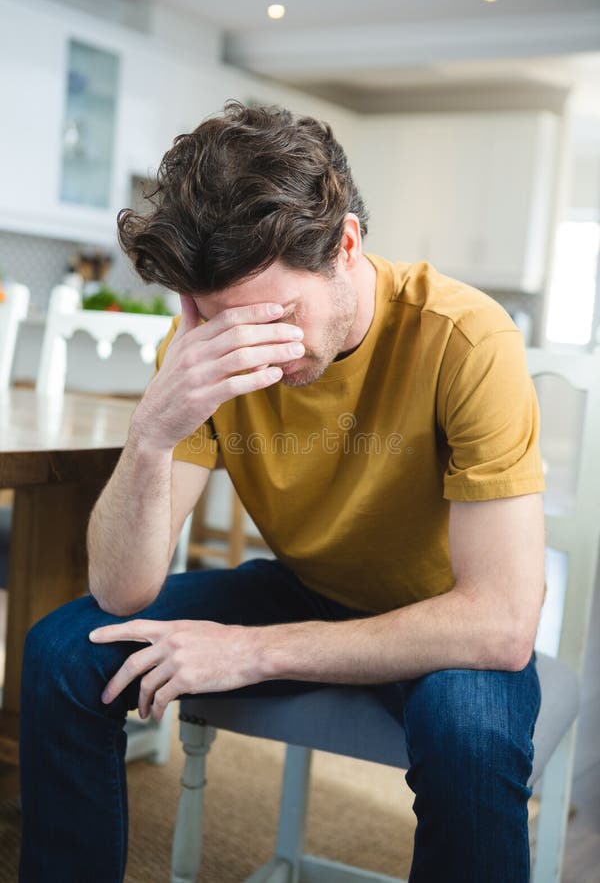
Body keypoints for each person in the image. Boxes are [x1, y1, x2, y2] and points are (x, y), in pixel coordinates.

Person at [19, 101, 546, 882]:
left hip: (446, 616)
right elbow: (121, 590)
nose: (253, 347)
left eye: (278, 316)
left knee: (467, 729)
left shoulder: (466, 339)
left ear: (346, 245)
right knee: (62, 650)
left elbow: (501, 623)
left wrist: (249, 651)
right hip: (309, 588)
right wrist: (153, 432)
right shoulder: (204, 341)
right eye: (222, 320)